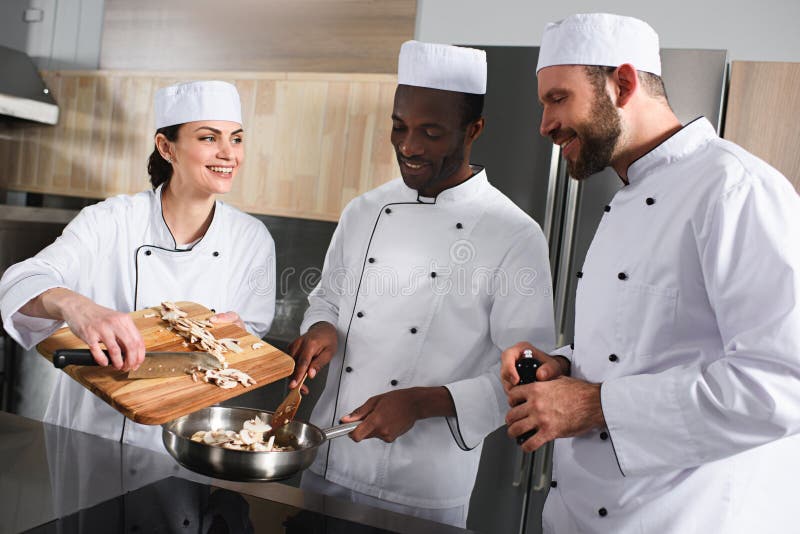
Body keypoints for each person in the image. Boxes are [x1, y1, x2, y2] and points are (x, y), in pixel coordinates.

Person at [500, 13, 800, 534]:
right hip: (580, 515)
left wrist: (594, 405)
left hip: (685, 518)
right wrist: (564, 368)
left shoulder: (735, 189)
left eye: (557, 99)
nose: (544, 125)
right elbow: (649, 350)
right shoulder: (627, 195)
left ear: (623, 83)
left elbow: (783, 382)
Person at [287, 40, 555, 527]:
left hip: (420, 485)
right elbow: (327, 295)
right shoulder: (364, 210)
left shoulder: (513, 234)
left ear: (473, 129)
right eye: (399, 127)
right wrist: (323, 325)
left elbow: (531, 375)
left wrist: (425, 401)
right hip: (326, 460)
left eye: (430, 133)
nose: (409, 147)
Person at [0, 80, 276, 451]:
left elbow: (253, 338)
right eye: (209, 138)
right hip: (88, 433)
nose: (229, 153)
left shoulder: (252, 238)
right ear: (167, 147)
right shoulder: (110, 220)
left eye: (237, 139)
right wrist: (75, 305)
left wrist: (238, 335)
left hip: (186, 437)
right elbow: (19, 281)